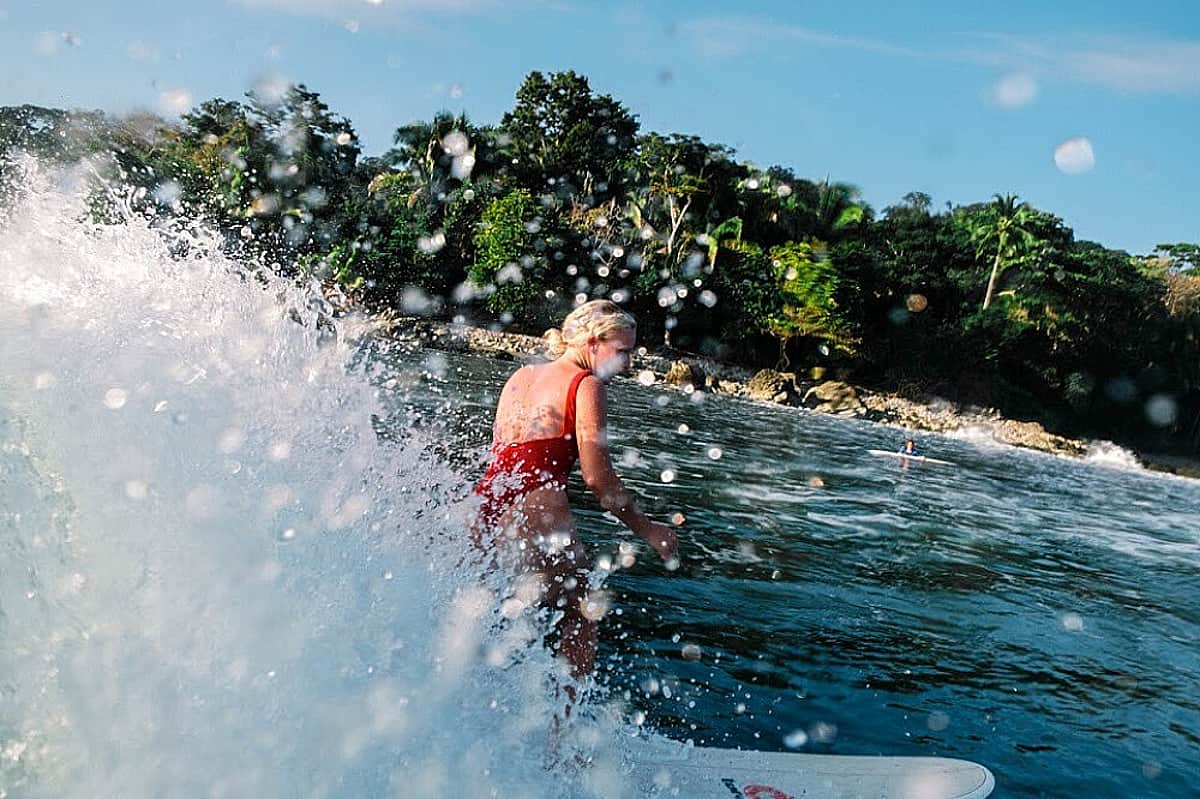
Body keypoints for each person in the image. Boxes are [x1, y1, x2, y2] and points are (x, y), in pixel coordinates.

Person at [472, 300, 679, 682]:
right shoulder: (586, 385)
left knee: (497, 610)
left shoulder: (521, 376)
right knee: (582, 610)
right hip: (538, 505)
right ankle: (563, 736)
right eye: (623, 352)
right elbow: (598, 479)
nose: (628, 364)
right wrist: (648, 529)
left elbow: (503, 456)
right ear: (592, 342)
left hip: (487, 505)